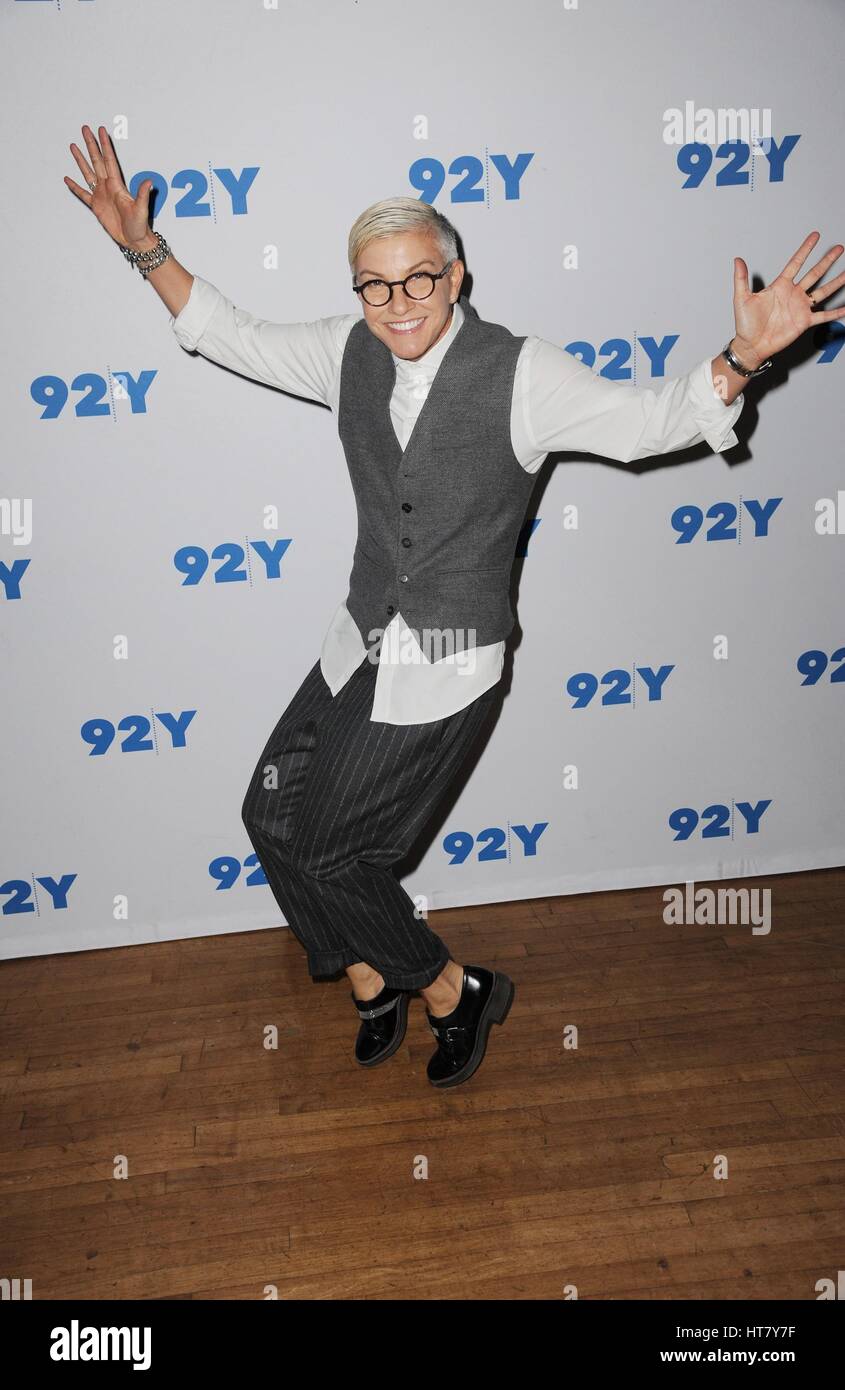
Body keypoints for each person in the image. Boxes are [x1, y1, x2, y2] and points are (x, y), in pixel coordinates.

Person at [65, 124, 845, 1089]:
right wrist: (141, 248)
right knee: (267, 814)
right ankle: (367, 972)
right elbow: (231, 332)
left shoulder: (522, 373)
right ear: (358, 289)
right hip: (361, 641)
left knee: (327, 848)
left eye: (418, 279)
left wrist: (741, 355)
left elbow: (649, 426)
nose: (398, 305)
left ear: (457, 274)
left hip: (444, 663)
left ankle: (449, 990)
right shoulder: (348, 351)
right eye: (375, 285)